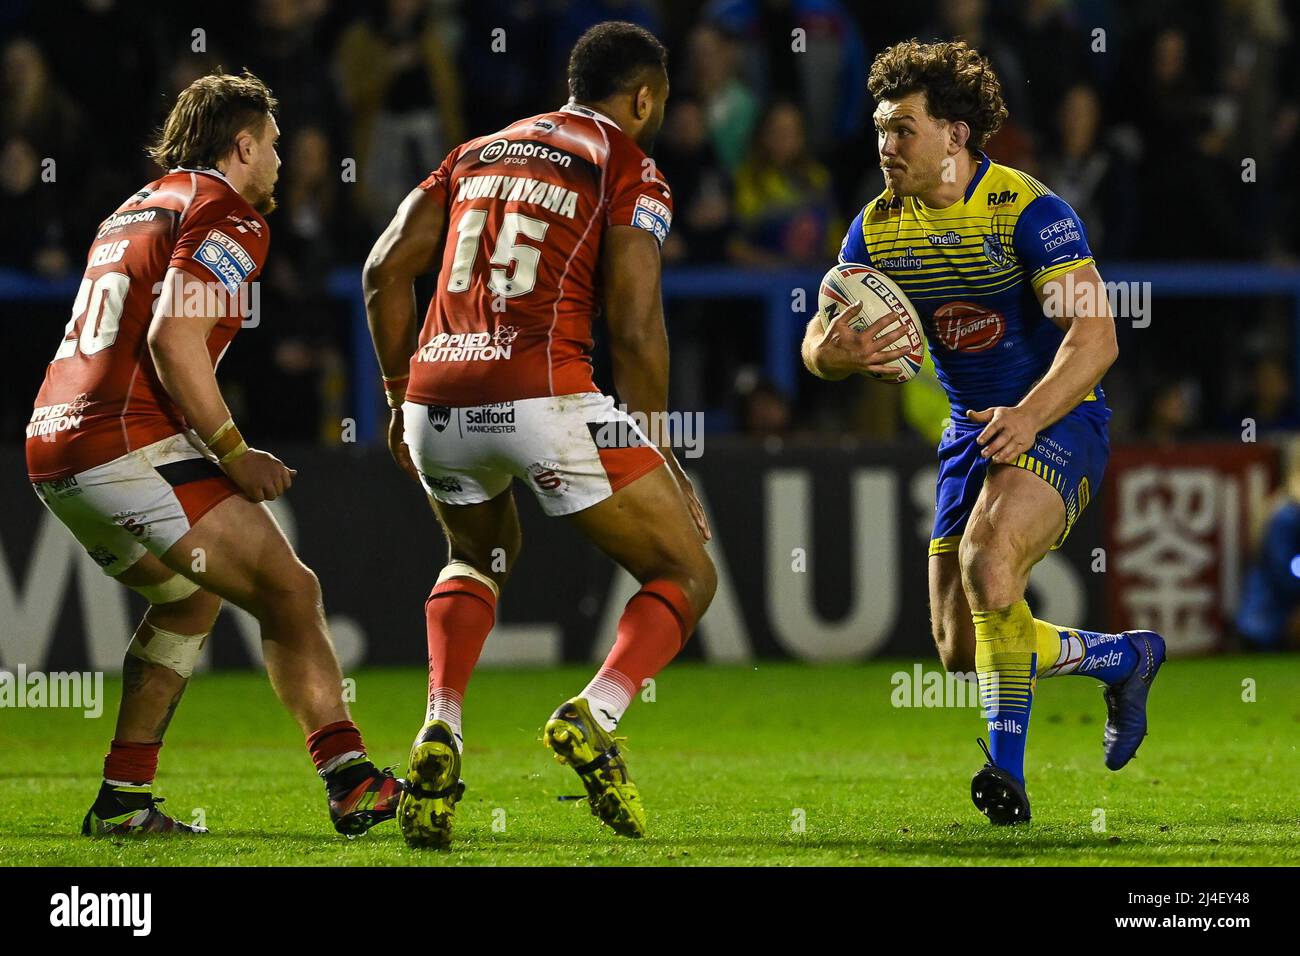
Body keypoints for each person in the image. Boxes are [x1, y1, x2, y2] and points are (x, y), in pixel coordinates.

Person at [364, 21, 715, 849]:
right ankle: (593, 714)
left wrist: (395, 393)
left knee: (476, 556)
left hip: (437, 400)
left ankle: (441, 725)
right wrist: (658, 446)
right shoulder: (626, 163)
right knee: (685, 570)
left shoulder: (476, 150)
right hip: (543, 394)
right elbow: (633, 325)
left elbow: (384, 270)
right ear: (643, 98)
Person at [24, 71, 400, 838]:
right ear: (240, 146)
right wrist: (233, 451)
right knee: (290, 591)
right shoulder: (226, 213)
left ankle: (124, 800)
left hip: (52, 446)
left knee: (187, 599)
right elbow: (173, 338)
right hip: (120, 441)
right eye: (272, 146)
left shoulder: (128, 212)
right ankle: (349, 777)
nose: (280, 164)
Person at [802, 40, 1165, 825]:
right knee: (963, 648)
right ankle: (1123, 657)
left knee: (988, 557)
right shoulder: (876, 230)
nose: (885, 146)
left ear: (956, 135)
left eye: (903, 129)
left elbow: (1096, 338)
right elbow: (818, 335)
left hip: (1059, 417)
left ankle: (1006, 775)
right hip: (971, 435)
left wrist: (1030, 415)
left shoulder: (1029, 211)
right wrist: (830, 354)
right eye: (880, 129)